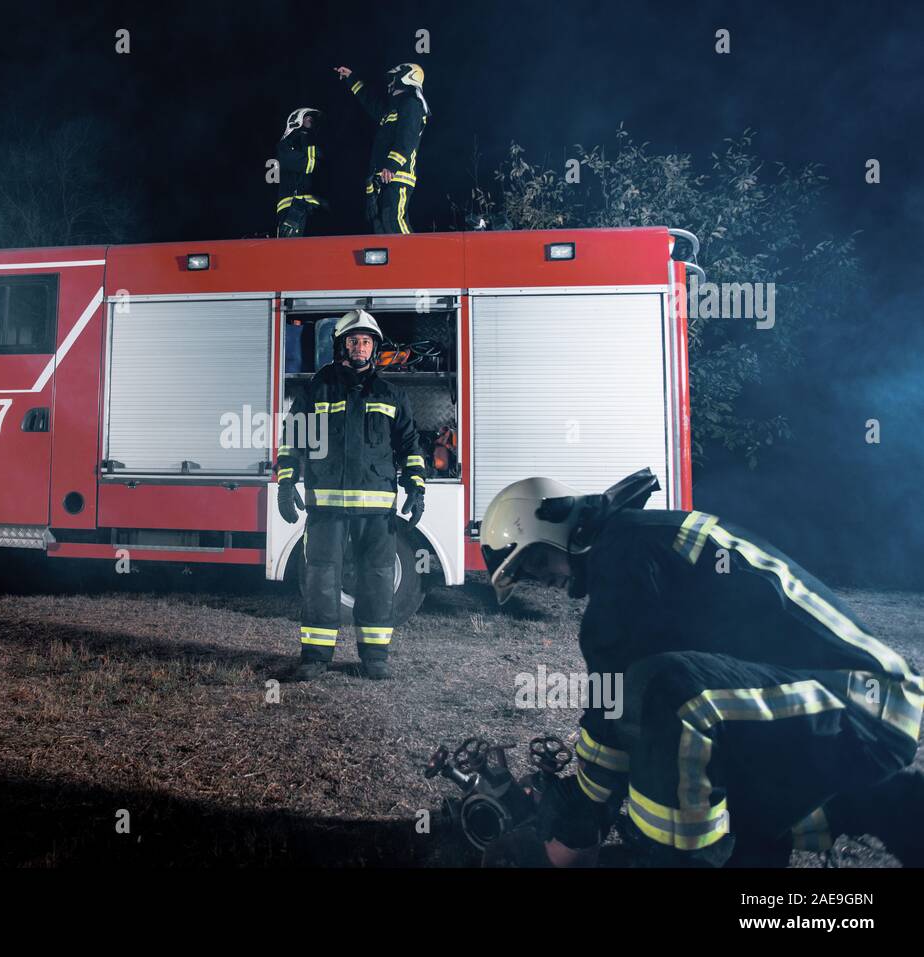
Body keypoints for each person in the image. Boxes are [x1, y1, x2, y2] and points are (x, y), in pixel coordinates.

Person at [479, 469, 924, 867]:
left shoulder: (625, 545)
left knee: (668, 693)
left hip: (867, 700)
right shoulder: (639, 543)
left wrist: (583, 809)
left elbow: (612, 689)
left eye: (536, 561)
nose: (544, 580)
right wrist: (598, 801)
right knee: (680, 776)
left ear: (558, 522)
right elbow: (627, 716)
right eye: (530, 577)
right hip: (833, 715)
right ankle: (884, 807)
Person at [277, 309, 426, 681]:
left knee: (377, 579)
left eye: (365, 342)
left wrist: (416, 487)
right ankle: (315, 657)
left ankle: (375, 657)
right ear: (340, 346)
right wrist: (285, 482)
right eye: (352, 341)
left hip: (377, 512)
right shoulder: (317, 389)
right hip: (326, 509)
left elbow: (409, 446)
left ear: (373, 348)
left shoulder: (391, 394)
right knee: (320, 581)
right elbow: (292, 440)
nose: (359, 347)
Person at [335, 63, 429, 234]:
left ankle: (413, 258)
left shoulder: (411, 104)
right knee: (382, 228)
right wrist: (351, 79)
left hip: (397, 175)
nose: (389, 84)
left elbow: (407, 138)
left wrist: (392, 166)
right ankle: (396, 262)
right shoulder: (392, 110)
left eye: (392, 79)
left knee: (394, 221)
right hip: (382, 177)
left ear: (405, 79)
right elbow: (370, 103)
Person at [275, 107, 326, 237]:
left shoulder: (313, 141)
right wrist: (306, 138)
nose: (312, 121)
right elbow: (310, 164)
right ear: (295, 120)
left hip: (316, 209)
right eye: (308, 117)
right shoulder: (286, 145)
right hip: (293, 210)